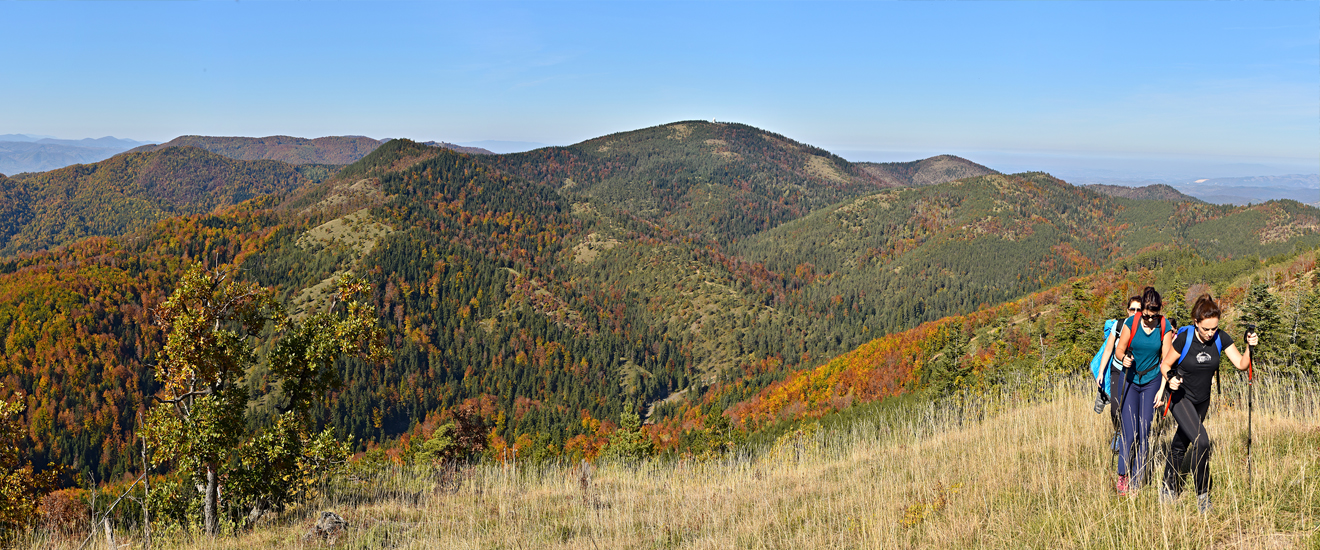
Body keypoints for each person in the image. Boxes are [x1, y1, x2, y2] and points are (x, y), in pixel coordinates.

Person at [1155, 294, 1256, 513]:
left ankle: (1167, 486)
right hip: (1181, 398)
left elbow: (1241, 363)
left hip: (1203, 401)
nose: (1211, 334)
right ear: (1196, 323)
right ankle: (1203, 497)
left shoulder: (1221, 338)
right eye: (1206, 329)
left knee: (1181, 443)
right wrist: (1170, 378)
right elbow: (1165, 365)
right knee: (1202, 442)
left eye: (1214, 328)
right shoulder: (1185, 338)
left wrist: (1249, 346)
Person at [1113, 286, 1174, 495]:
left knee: (1144, 432)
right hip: (1130, 379)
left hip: (1152, 381)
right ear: (1142, 311)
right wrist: (1124, 359)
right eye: (1146, 315)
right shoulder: (1132, 322)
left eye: (1153, 316)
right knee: (1129, 433)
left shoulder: (1164, 327)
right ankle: (1123, 476)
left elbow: (1166, 361)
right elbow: (1119, 350)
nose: (1148, 320)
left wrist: (1162, 390)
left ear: (1159, 311)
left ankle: (1138, 480)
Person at [1096, 296, 1143, 435]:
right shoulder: (1119, 325)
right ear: (1127, 310)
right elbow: (1109, 349)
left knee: (1134, 407)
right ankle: (1118, 433)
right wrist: (1101, 372)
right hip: (1118, 370)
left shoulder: (1146, 329)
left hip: (1137, 372)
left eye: (1139, 309)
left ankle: (1132, 436)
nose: (1135, 312)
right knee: (1115, 407)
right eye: (1132, 309)